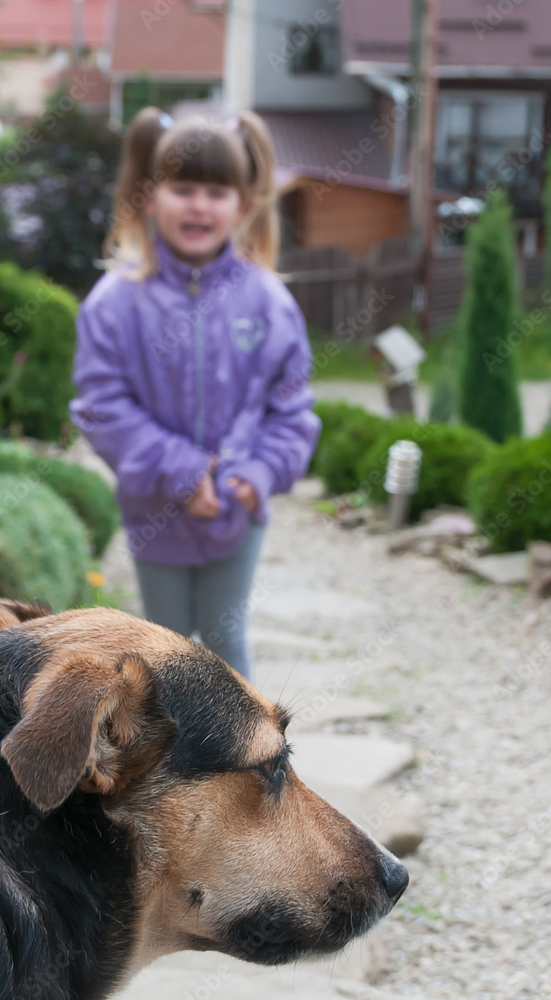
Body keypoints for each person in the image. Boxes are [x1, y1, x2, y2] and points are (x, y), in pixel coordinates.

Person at [69, 106, 321, 682]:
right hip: (154, 508)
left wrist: (255, 477)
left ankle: (250, 765)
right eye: (183, 188)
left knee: (226, 639)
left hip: (239, 508)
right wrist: (182, 470)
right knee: (164, 648)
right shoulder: (115, 303)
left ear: (243, 202)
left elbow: (291, 412)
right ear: (151, 194)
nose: (200, 205)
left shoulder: (268, 303)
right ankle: (171, 770)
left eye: (216, 191)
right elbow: (101, 406)